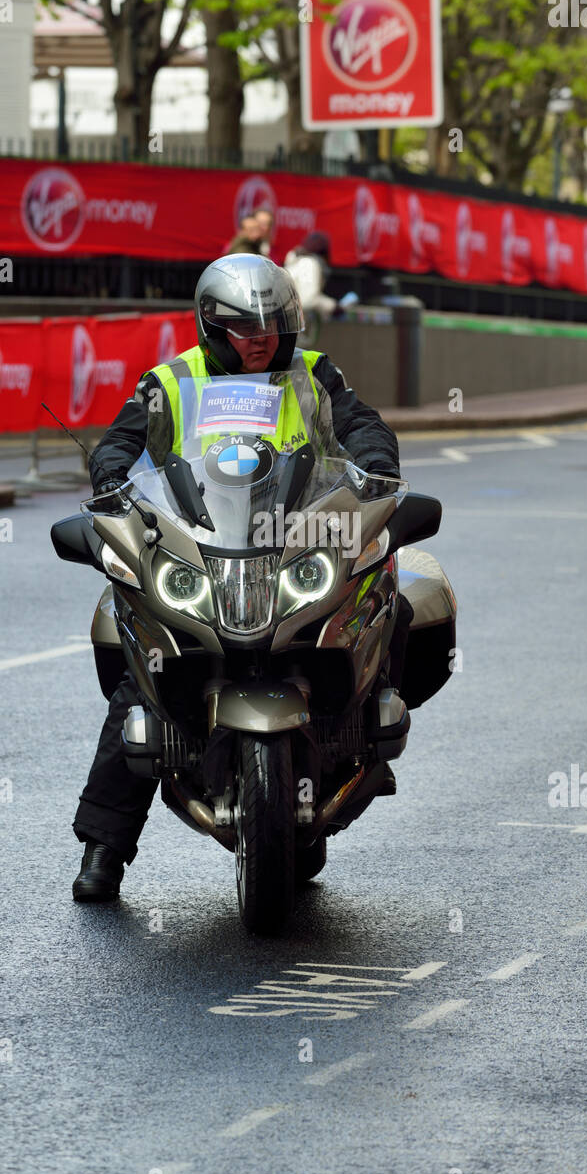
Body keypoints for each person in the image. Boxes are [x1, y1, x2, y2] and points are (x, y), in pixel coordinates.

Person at [71, 253, 403, 902]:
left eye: (273, 327)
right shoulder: (169, 381)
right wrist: (110, 482)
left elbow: (363, 428)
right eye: (244, 329)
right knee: (146, 675)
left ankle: (370, 727)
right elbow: (119, 443)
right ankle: (104, 849)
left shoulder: (314, 375)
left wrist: (377, 471)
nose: (260, 341)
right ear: (210, 326)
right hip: (199, 544)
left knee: (387, 594)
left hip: (295, 536)